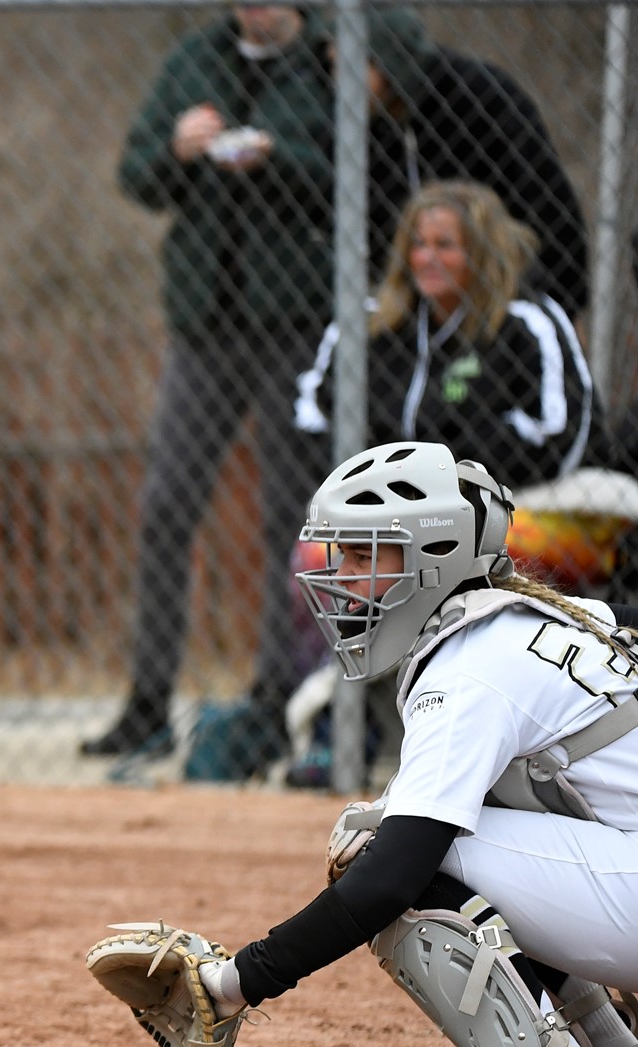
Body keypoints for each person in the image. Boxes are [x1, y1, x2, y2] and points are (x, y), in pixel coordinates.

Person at [96, 440, 638, 1047]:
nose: (338, 576)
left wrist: (232, 984)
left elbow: (392, 877)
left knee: (381, 851)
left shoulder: (472, 664)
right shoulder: (549, 616)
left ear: (432, 558)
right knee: (434, 821)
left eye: (362, 555)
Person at [87, 4, 338, 772]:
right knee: (167, 505)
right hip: (205, 323)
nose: (251, 9)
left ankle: (277, 701)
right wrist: (178, 148)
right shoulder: (194, 60)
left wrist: (277, 155)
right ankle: (148, 703)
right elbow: (137, 174)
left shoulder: (329, 63)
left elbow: (357, 182)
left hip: (293, 320)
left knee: (287, 521)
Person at [294, 182, 591, 498]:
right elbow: (312, 411)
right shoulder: (370, 320)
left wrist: (439, 478)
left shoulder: (526, 320)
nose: (427, 258)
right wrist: (370, 482)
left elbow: (554, 430)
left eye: (445, 245)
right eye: (419, 244)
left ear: (481, 253)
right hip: (383, 500)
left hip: (507, 500)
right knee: (318, 545)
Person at [348, 7, 588, 318]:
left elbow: (549, 205)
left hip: (501, 293)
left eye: (351, 68)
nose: (340, 83)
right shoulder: (366, 122)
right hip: (417, 302)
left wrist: (563, 306)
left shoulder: (478, 98)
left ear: (385, 63)